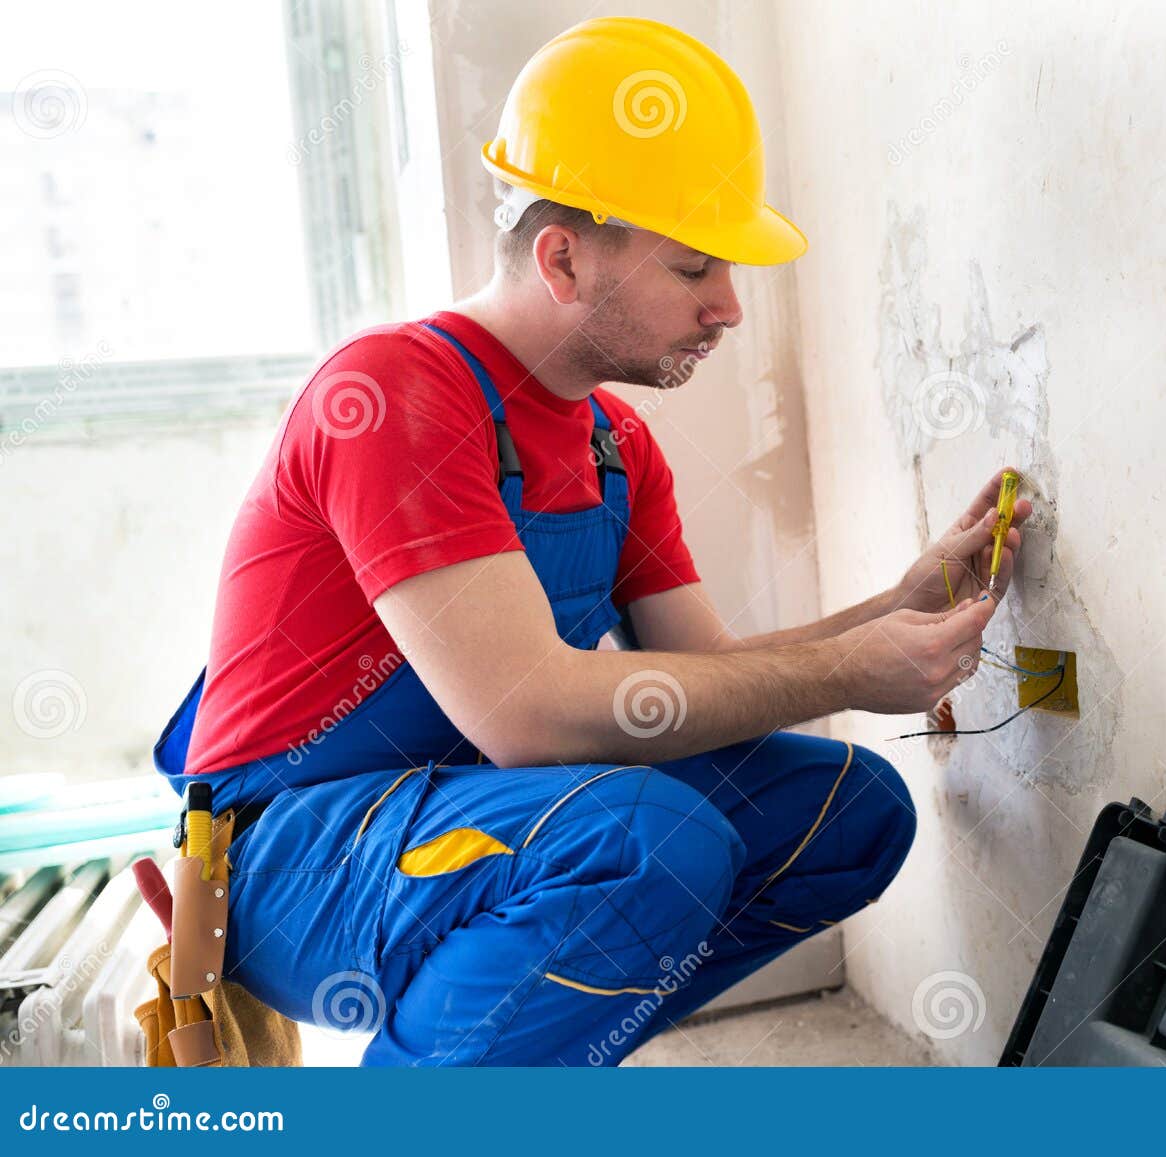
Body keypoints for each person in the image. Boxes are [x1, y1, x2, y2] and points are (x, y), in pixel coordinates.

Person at [153, 15, 1031, 1066]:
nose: (730, 307)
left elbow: (702, 678)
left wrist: (895, 604)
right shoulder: (393, 395)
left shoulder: (615, 443)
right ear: (563, 258)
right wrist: (847, 668)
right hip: (292, 855)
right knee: (647, 839)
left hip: (477, 818)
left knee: (846, 810)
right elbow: (528, 716)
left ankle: (524, 1059)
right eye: (695, 267)